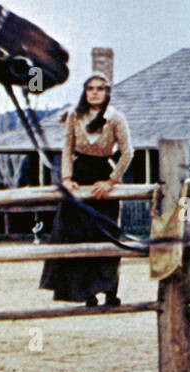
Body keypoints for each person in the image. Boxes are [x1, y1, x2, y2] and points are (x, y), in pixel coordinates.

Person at [39, 74, 133, 306]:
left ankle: (110, 290)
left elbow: (128, 151)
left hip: (102, 173)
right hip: (79, 174)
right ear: (84, 91)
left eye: (100, 89)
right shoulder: (74, 115)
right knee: (76, 233)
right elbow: (67, 147)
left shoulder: (115, 117)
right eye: (90, 88)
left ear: (107, 92)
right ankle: (84, 292)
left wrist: (111, 181)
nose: (95, 92)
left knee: (106, 233)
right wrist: (67, 177)